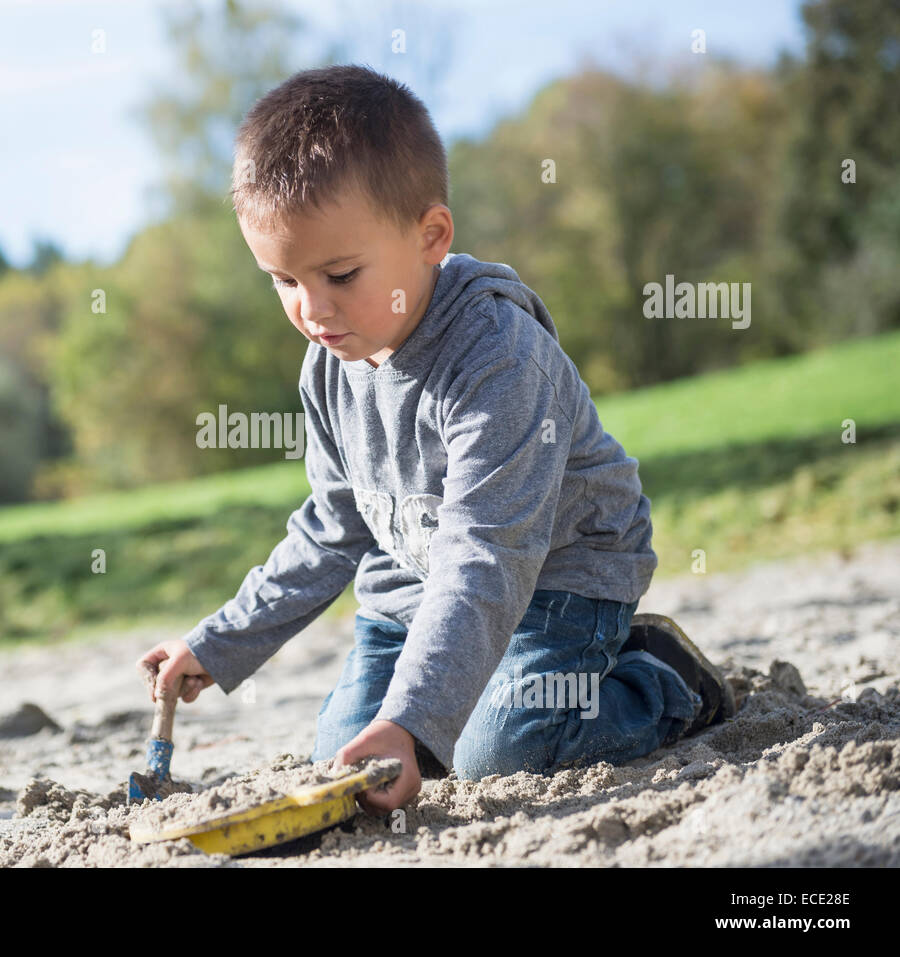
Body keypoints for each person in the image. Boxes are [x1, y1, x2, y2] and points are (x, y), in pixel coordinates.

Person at [137, 64, 735, 814]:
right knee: (343, 754)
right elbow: (331, 528)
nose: (311, 309)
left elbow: (488, 554)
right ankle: (444, 696)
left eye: (341, 273)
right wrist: (219, 643)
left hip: (554, 575)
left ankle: (659, 680)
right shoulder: (329, 364)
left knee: (496, 750)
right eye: (282, 280)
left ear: (431, 235)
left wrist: (414, 722)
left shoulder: (497, 358)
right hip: (413, 592)